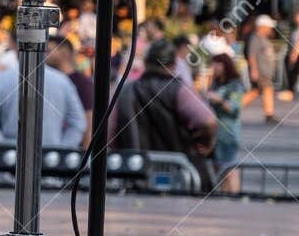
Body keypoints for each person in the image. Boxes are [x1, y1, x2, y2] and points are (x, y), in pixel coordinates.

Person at [110, 39, 218, 189]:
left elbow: (110, 133)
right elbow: (209, 121)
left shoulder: (127, 91)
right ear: (173, 64)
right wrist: (206, 142)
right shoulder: (179, 90)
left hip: (136, 175)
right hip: (179, 175)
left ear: (146, 63)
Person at [0, 38, 87, 148]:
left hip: (11, 155)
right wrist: (61, 149)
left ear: (17, 47)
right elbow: (78, 122)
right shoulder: (62, 80)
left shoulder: (2, 79)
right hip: (50, 155)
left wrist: (2, 146)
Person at [204, 52, 245, 194]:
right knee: (219, 169)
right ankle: (224, 196)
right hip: (215, 134)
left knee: (230, 170)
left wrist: (219, 100)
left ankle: (234, 195)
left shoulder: (235, 85)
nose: (214, 67)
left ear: (226, 65)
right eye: (213, 63)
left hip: (228, 133)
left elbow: (234, 108)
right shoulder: (215, 83)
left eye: (218, 63)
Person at [243, 14, 280, 124]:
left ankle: (234, 107)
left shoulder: (264, 39)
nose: (270, 29)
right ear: (262, 26)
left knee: (255, 92)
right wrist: (254, 70)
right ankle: (269, 114)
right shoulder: (256, 38)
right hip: (261, 71)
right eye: (268, 26)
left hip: (265, 71)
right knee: (268, 90)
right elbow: (252, 55)